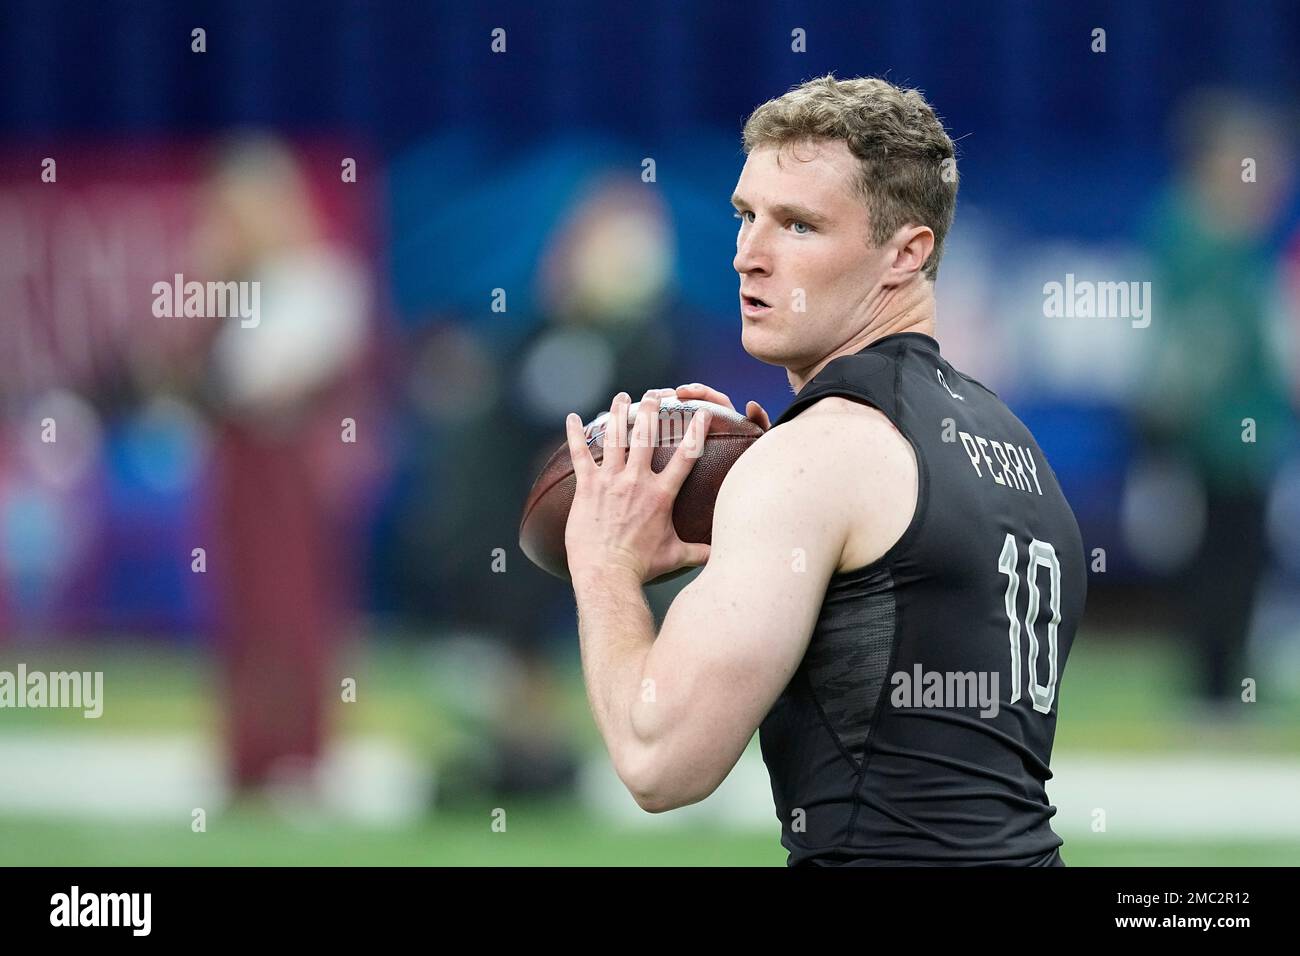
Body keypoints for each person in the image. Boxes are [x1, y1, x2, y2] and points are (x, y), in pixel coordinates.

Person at [561, 75, 1087, 865]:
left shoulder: (813, 459)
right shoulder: (1014, 446)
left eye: (799, 225)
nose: (748, 256)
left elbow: (658, 760)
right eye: (746, 216)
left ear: (907, 253)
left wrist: (603, 565)